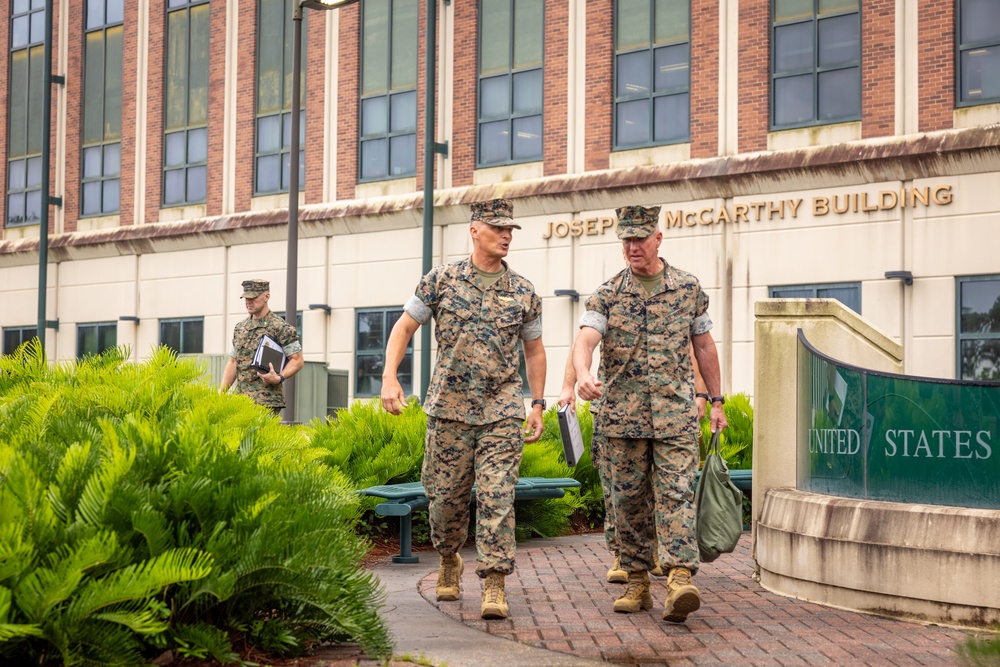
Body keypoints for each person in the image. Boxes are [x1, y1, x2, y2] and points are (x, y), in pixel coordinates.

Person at [380, 198, 547, 621]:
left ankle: (494, 582)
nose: (506, 236)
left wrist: (538, 403)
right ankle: (449, 558)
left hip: (502, 410)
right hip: (449, 410)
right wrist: (388, 377)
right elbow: (403, 328)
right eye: (498, 228)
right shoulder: (440, 281)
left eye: (510, 230)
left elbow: (534, 351)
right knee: (445, 501)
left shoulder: (524, 292)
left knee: (496, 496)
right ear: (475, 230)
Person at [563, 204, 727, 623]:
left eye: (640, 238)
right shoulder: (608, 293)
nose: (633, 246)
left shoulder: (688, 288)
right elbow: (586, 339)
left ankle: (679, 578)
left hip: (674, 416)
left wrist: (717, 400)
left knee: (676, 495)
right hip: (621, 419)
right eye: (627, 240)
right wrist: (582, 374)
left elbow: (704, 346)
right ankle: (637, 582)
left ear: (658, 238)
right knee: (630, 503)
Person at [560, 343, 707, 585]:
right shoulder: (607, 304)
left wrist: (700, 393)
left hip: (665, 410)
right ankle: (621, 553)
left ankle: (656, 550)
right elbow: (581, 343)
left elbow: (692, 346)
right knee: (617, 486)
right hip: (614, 410)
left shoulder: (674, 304)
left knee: (664, 486)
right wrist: (568, 386)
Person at [219, 279, 304, 416]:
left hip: (266, 402)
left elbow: (297, 360)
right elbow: (233, 361)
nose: (248, 302)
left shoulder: (280, 327)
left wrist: (279, 377)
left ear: (267, 296)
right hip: (240, 401)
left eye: (253, 297)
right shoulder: (240, 328)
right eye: (246, 298)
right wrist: (221, 393)